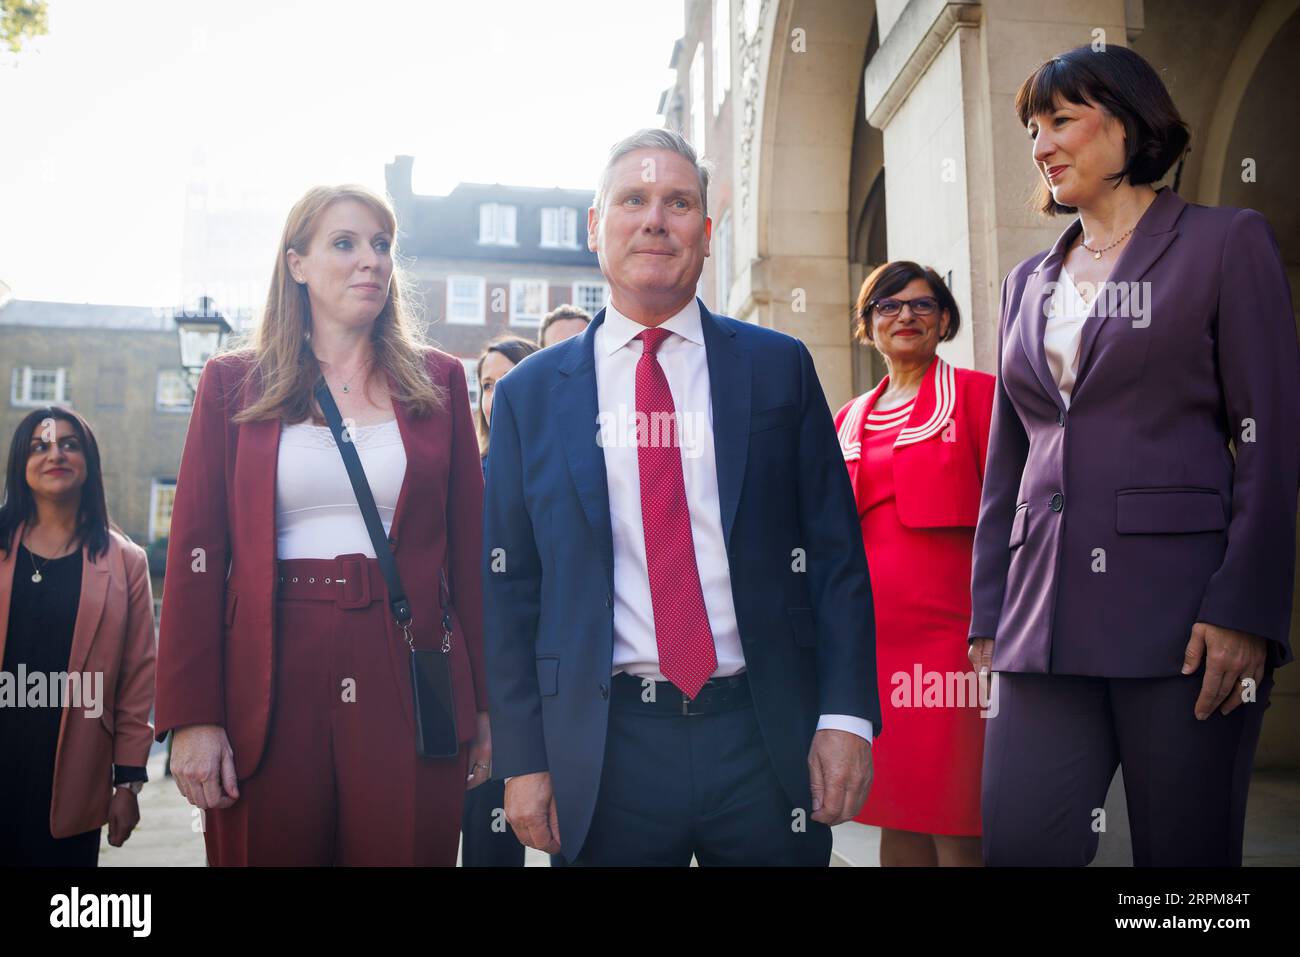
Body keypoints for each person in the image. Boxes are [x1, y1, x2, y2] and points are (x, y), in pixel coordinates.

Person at [483, 128, 878, 866]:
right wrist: (523, 755)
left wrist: (847, 715)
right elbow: (510, 590)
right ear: (596, 228)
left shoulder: (779, 369)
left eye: (678, 201)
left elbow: (835, 556)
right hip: (607, 751)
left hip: (765, 739)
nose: (655, 218)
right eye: (633, 199)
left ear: (705, 229)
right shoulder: (531, 397)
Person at [970, 45, 1300, 866]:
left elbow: (1272, 435)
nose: (1042, 145)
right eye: (1032, 129)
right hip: (1039, 623)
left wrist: (1246, 608)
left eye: (1063, 121)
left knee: (1184, 873)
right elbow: (1006, 462)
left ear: (1130, 125)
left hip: (1185, 622)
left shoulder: (1225, 243)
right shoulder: (1027, 283)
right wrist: (988, 612)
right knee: (1019, 845)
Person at [154, 184, 491, 866]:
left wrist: (485, 708)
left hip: (407, 657)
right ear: (297, 263)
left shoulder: (442, 383)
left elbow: (471, 559)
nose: (369, 259)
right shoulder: (231, 383)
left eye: (381, 245)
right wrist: (192, 715)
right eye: (345, 243)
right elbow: (196, 553)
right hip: (270, 664)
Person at [834, 262, 993, 866]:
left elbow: (1015, 517)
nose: (905, 316)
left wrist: (999, 621)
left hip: (956, 639)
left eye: (922, 306)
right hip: (872, 641)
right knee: (894, 810)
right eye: (887, 306)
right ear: (867, 325)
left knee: (955, 811)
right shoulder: (846, 417)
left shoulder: (981, 397)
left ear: (945, 319)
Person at [0, 407, 155, 866]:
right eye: (40, 445)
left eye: (69, 444)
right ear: (20, 464)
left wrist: (127, 783)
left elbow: (136, 679)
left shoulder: (127, 562)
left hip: (71, 777)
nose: (55, 454)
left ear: (88, 462)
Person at [460, 334, 537, 867]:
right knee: (488, 842)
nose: (495, 395)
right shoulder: (468, 472)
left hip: (555, 681)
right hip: (484, 682)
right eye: (487, 384)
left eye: (507, 381)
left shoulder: (564, 468)